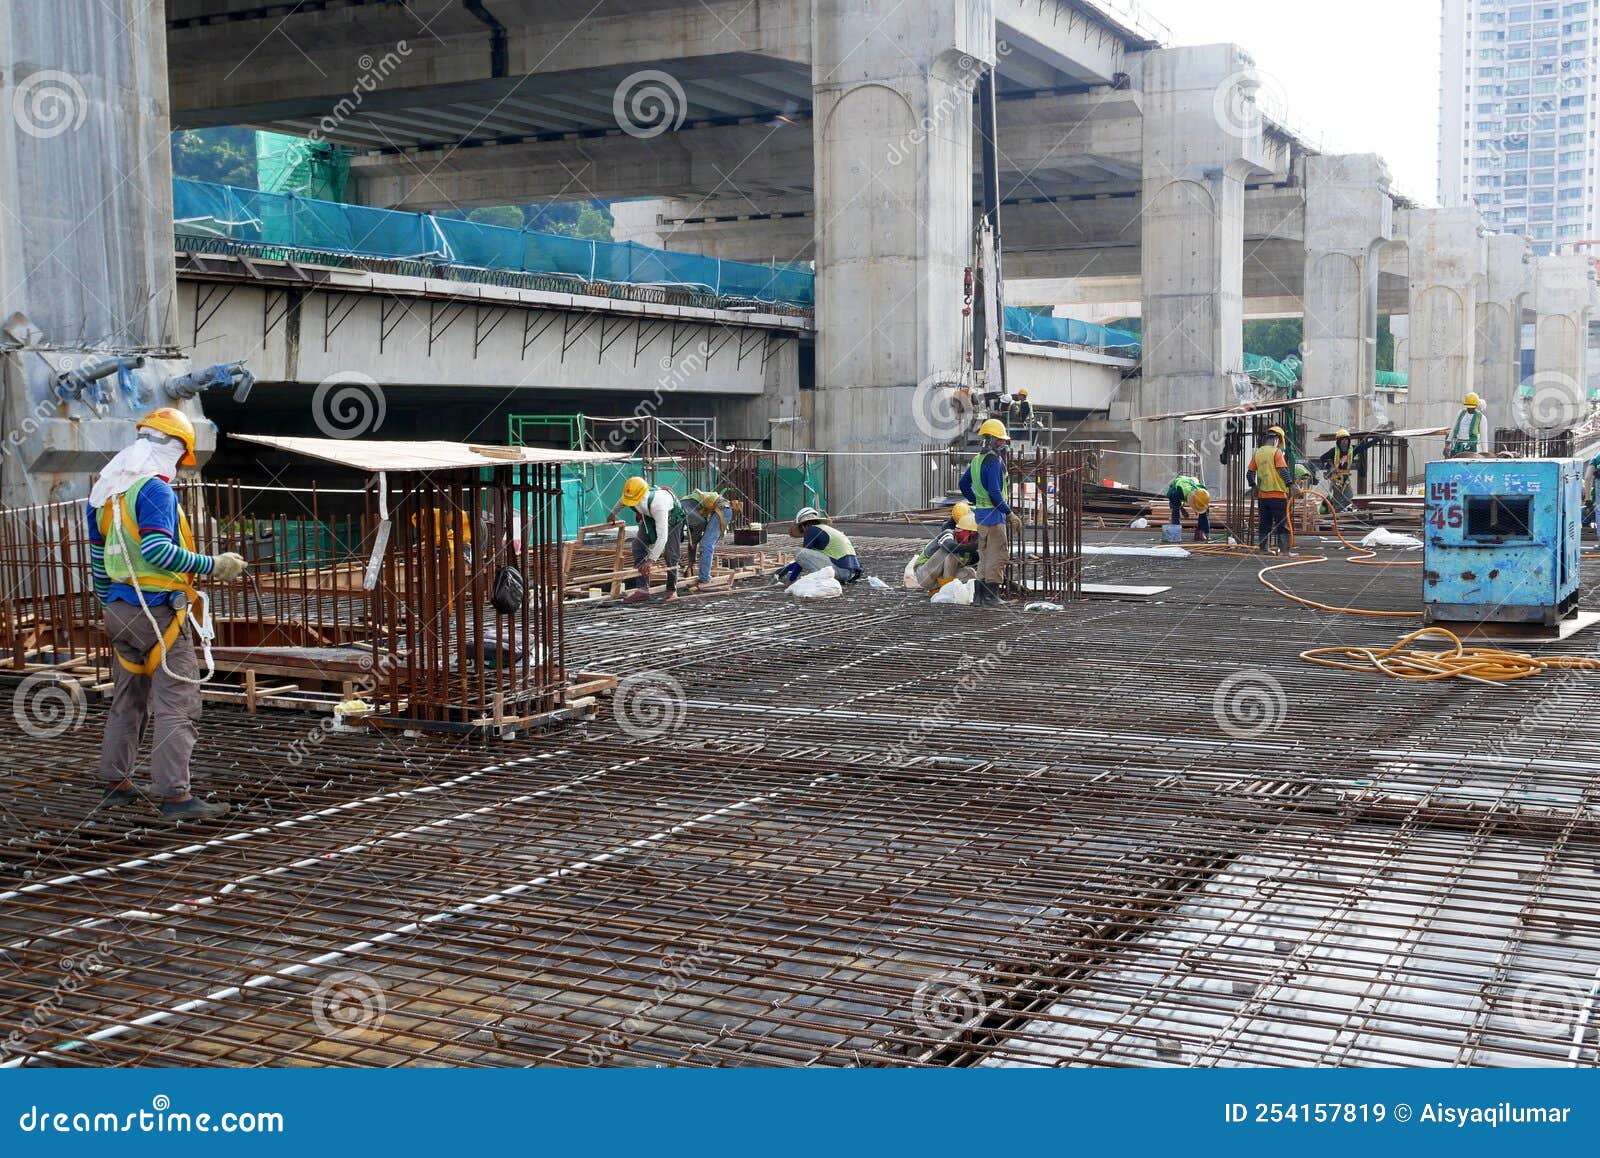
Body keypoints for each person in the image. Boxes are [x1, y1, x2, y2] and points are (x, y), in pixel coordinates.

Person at [89, 407, 247, 822]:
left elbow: (97, 561)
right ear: (174, 451)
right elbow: (158, 551)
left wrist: (111, 608)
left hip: (120, 610)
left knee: (127, 700)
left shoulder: (106, 493)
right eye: (181, 458)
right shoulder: (154, 491)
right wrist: (214, 564)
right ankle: (175, 797)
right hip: (158, 612)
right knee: (178, 702)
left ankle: (116, 783)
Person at [958, 418, 1022, 605]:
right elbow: (995, 492)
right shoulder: (993, 462)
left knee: (985, 556)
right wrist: (1009, 513)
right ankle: (991, 597)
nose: (1003, 443)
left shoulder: (977, 460)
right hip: (994, 518)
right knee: (998, 556)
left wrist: (976, 499)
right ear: (992, 439)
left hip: (981, 517)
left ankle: (979, 597)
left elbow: (963, 484)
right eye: (1001, 440)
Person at [611, 475, 683, 604]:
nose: (631, 506)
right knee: (638, 545)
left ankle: (672, 590)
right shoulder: (632, 495)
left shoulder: (659, 505)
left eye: (633, 503)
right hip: (648, 516)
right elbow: (622, 501)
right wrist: (612, 513)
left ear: (641, 496)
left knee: (671, 554)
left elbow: (663, 537)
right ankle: (642, 590)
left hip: (671, 519)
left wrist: (650, 561)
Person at [777, 507, 862, 585]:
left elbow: (801, 557)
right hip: (851, 574)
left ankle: (820, 579)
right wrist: (785, 570)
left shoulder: (811, 530)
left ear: (803, 525)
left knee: (799, 552)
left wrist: (791, 579)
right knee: (807, 553)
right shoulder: (826, 530)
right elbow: (804, 561)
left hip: (841, 571)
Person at [1248, 425, 1292, 555]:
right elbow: (1282, 470)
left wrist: (1254, 486)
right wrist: (1291, 484)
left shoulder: (1258, 453)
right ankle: (1284, 551)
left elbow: (1249, 474)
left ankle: (1263, 549)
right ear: (1276, 440)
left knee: (1264, 524)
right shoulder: (1276, 452)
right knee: (1282, 524)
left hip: (1263, 497)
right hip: (1278, 496)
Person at [682, 486, 738, 585]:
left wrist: (694, 542)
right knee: (704, 543)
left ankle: (704, 579)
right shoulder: (686, 505)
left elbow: (700, 523)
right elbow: (692, 536)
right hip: (720, 510)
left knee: (706, 544)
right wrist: (691, 562)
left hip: (723, 509)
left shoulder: (682, 507)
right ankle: (703, 576)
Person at [911, 513, 980, 592]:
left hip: (940, 578)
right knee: (952, 553)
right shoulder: (949, 533)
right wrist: (972, 546)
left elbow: (976, 560)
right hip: (925, 574)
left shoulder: (969, 548)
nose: (975, 538)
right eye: (974, 535)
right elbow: (949, 546)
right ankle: (947, 589)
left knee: (971, 573)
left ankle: (943, 589)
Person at [1316, 429, 1380, 511]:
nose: (1345, 442)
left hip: (1345, 478)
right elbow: (1322, 458)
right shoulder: (1333, 451)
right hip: (1336, 478)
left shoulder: (1352, 450)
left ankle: (1336, 510)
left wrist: (1376, 440)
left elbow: (1364, 446)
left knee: (1349, 497)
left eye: (1346, 440)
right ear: (1339, 442)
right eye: (1343, 440)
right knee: (1337, 498)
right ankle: (1334, 513)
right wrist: (1330, 466)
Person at [1165, 475, 1211, 542]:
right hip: (1178, 485)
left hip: (1191, 483)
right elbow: (1170, 496)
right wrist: (1181, 508)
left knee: (1205, 512)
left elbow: (1204, 510)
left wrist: (1207, 534)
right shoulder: (1177, 493)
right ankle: (1175, 535)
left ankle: (1201, 532)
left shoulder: (1203, 493)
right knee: (1175, 510)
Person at [1449, 392, 1487, 457]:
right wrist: (1448, 443)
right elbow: (1454, 428)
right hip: (1458, 447)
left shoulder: (1481, 418)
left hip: (1472, 449)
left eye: (1472, 407)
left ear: (1476, 406)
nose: (1470, 409)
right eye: (1468, 407)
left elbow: (1484, 437)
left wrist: (1485, 453)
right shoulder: (1460, 413)